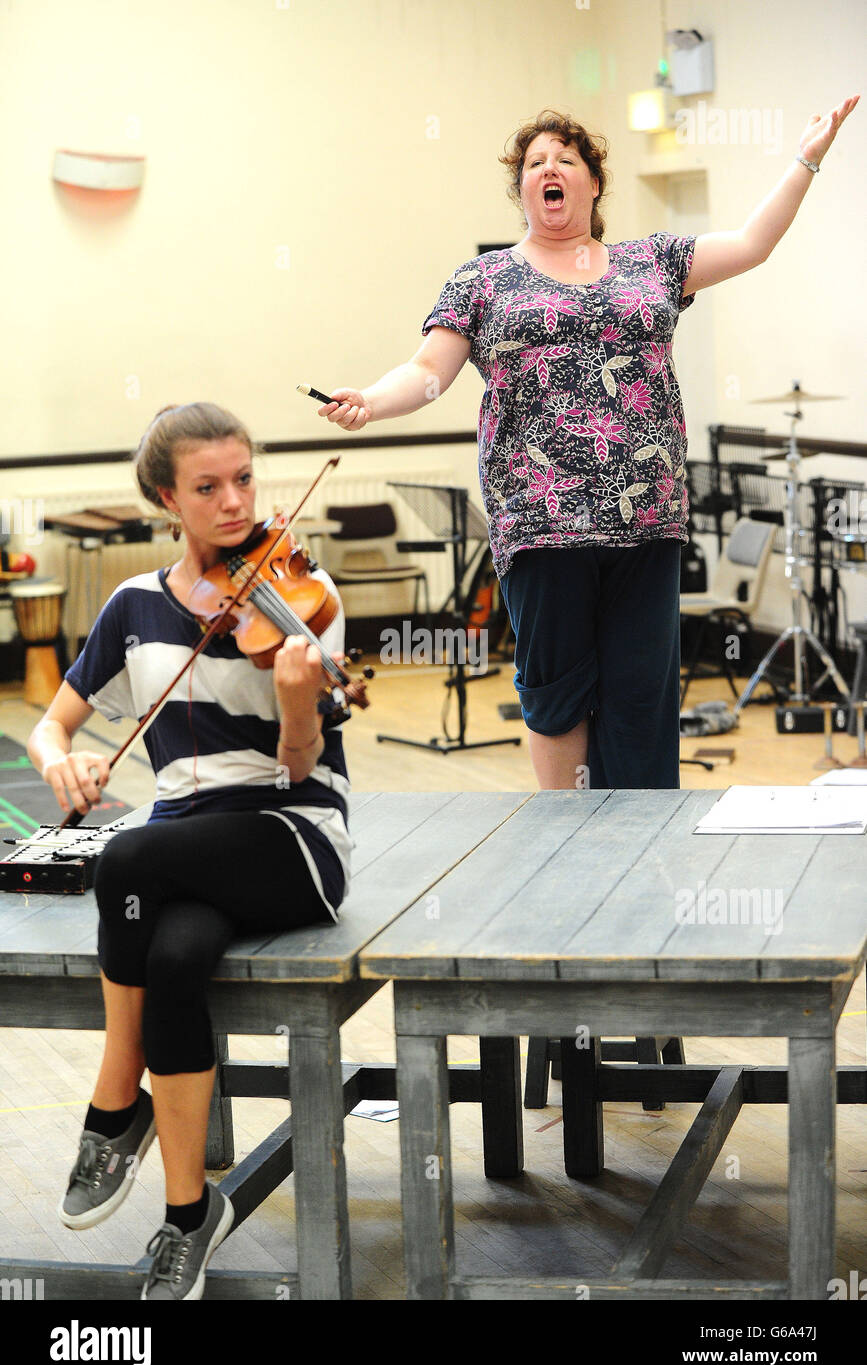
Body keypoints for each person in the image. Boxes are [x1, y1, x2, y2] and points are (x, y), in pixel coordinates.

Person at [317, 99, 859, 791]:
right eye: (535, 163)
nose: (550, 170)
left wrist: (804, 159)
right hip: (541, 522)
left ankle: (640, 860)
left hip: (647, 519)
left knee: (641, 699)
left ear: (593, 184)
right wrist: (370, 399)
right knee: (556, 694)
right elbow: (427, 372)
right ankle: (568, 851)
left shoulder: (653, 262)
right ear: (521, 190)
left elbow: (752, 243)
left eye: (564, 161)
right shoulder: (481, 281)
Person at [27, 402, 352, 1300]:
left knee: (125, 861)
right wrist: (68, 764)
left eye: (244, 478)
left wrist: (296, 703)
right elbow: (47, 732)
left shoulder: (302, 600)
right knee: (173, 957)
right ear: (169, 498)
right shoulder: (134, 607)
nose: (235, 501)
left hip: (290, 837)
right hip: (186, 843)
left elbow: (300, 766)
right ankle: (187, 1215)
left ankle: (110, 1105)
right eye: (207, 487)